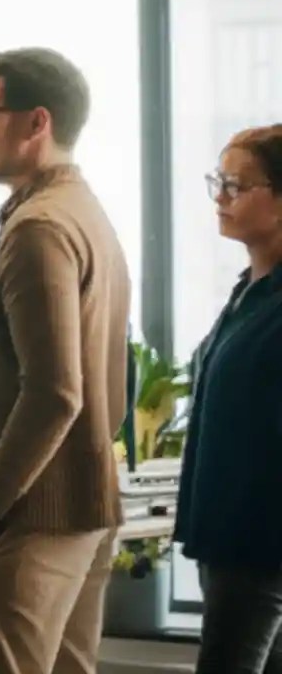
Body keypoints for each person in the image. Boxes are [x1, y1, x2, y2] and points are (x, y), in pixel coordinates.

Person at [0, 47, 131, 674]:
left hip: (30, 518)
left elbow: (55, 392)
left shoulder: (39, 227)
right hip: (79, 506)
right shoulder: (85, 211)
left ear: (37, 123)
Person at [175, 124, 282, 674]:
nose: (220, 198)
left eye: (237, 185)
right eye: (218, 181)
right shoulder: (247, 290)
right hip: (227, 535)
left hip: (261, 541)